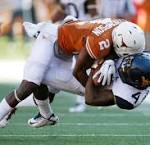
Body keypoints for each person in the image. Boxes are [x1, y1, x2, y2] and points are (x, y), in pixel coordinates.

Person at [0, 16, 145, 127]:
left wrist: (108, 60)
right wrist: (93, 87)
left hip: (70, 44)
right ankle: (10, 111)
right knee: (30, 84)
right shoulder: (99, 43)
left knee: (46, 88)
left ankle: (46, 116)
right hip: (51, 40)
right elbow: (78, 71)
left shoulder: (125, 28)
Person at [85, 52, 150, 109]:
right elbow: (113, 46)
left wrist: (94, 66)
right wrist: (109, 59)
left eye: (128, 72)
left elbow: (91, 99)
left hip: (87, 82)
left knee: (97, 80)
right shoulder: (140, 53)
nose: (125, 70)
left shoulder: (127, 99)